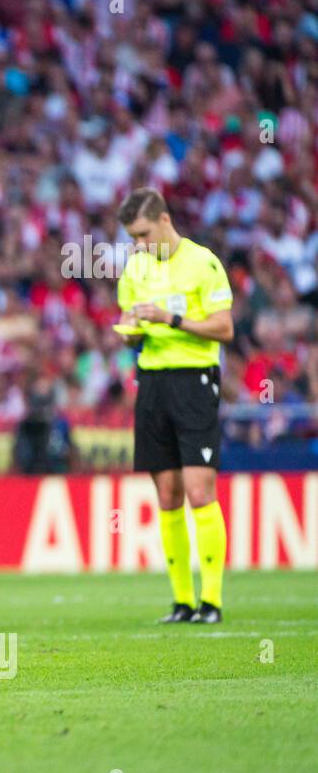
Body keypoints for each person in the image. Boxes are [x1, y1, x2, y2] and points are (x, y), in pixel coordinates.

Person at [116, 187, 233, 624]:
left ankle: (213, 601)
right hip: (152, 382)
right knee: (167, 495)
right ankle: (183, 602)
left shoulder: (202, 263)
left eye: (143, 234)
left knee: (200, 491)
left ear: (164, 220)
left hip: (194, 381)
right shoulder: (135, 269)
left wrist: (171, 319)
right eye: (133, 237)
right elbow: (129, 330)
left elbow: (224, 328)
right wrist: (130, 328)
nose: (140, 245)